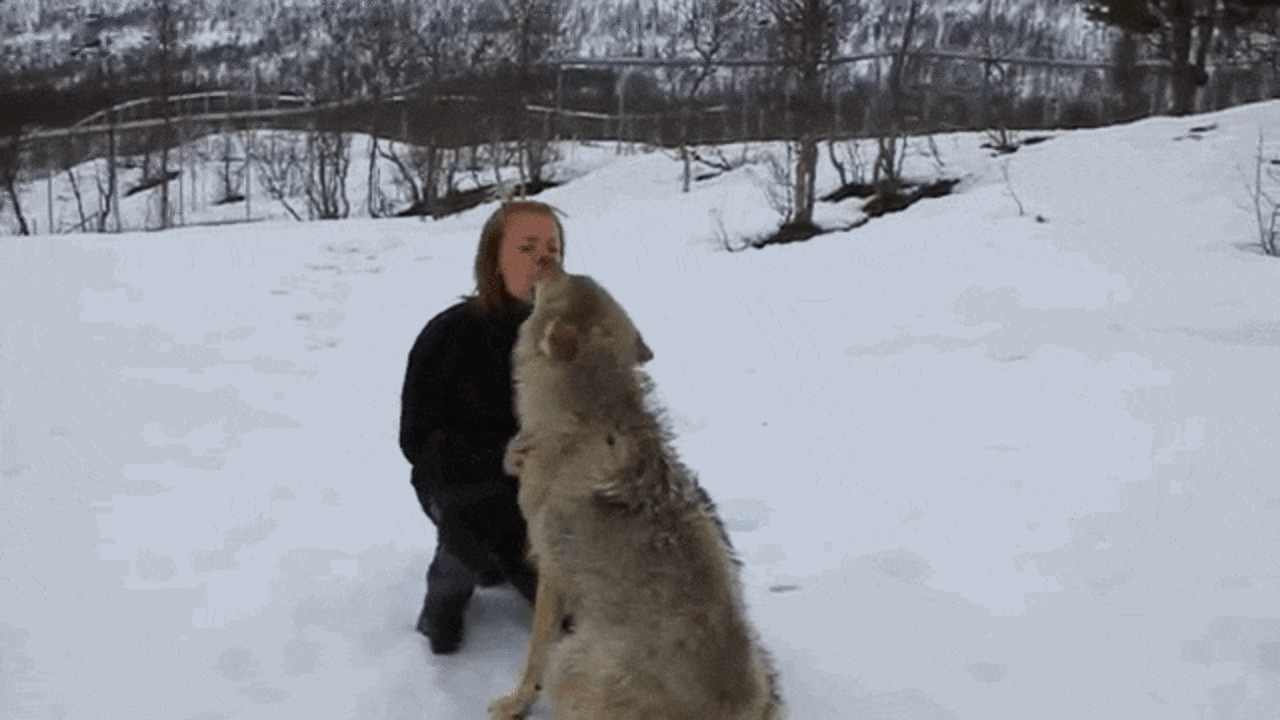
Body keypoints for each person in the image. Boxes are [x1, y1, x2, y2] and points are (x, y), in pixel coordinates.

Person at [399, 200, 564, 654]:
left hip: (538, 495)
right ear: (493, 258)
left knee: (572, 617)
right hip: (460, 484)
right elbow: (417, 440)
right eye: (526, 247)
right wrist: (499, 453)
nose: (543, 259)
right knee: (469, 537)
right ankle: (445, 599)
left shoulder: (566, 334)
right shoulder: (448, 335)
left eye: (551, 248)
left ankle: (510, 561)